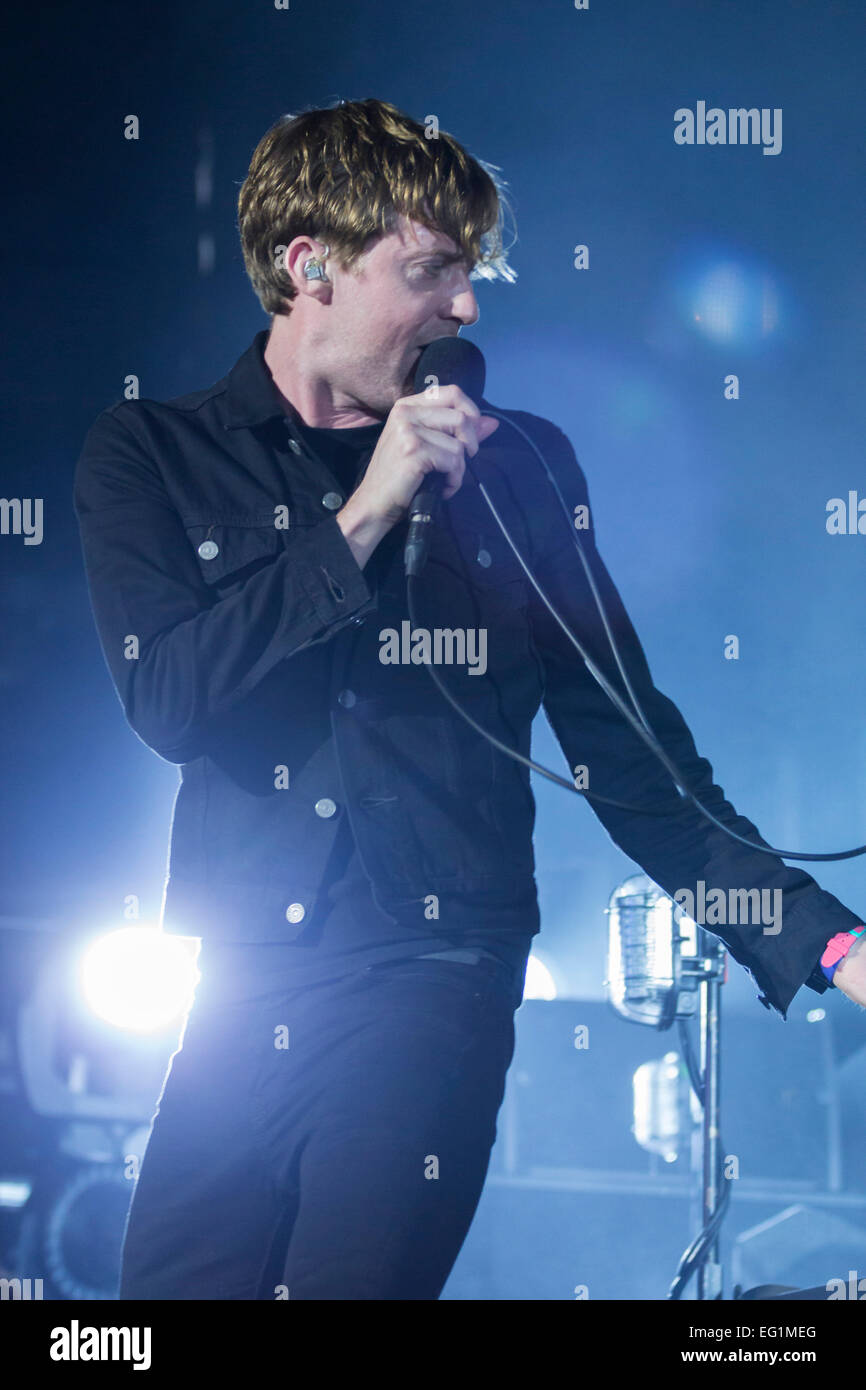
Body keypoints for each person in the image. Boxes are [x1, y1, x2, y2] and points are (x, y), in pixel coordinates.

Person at [73, 97, 865, 1301]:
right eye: (431, 270)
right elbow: (170, 698)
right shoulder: (152, 454)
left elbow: (635, 763)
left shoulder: (517, 470)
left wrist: (829, 942)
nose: (465, 307)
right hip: (239, 981)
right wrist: (365, 515)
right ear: (311, 267)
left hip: (436, 965)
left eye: (470, 273)